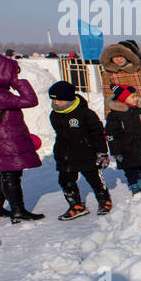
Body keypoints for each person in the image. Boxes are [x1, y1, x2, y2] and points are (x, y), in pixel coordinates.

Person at [0, 54, 45, 223]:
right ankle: (18, 211)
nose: (14, 76)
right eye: (11, 73)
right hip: (4, 141)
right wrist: (17, 82)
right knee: (11, 175)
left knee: (7, 173)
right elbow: (30, 101)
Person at [47, 80, 111, 218]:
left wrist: (102, 152)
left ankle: (103, 200)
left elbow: (98, 133)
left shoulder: (86, 113)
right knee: (65, 180)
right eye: (53, 99)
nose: (55, 102)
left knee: (94, 178)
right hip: (65, 154)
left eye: (59, 99)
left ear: (69, 98)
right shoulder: (54, 115)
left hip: (86, 153)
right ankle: (76, 205)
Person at [106, 85, 141, 194]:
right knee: (131, 167)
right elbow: (111, 135)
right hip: (126, 147)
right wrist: (116, 151)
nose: (136, 98)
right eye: (132, 97)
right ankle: (134, 185)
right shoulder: (115, 115)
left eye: (136, 96)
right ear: (122, 99)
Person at [101, 43, 141, 139]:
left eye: (121, 55)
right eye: (115, 57)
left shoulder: (139, 69)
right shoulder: (108, 74)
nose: (119, 59)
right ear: (110, 58)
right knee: (130, 140)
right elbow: (108, 95)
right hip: (124, 112)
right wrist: (111, 115)